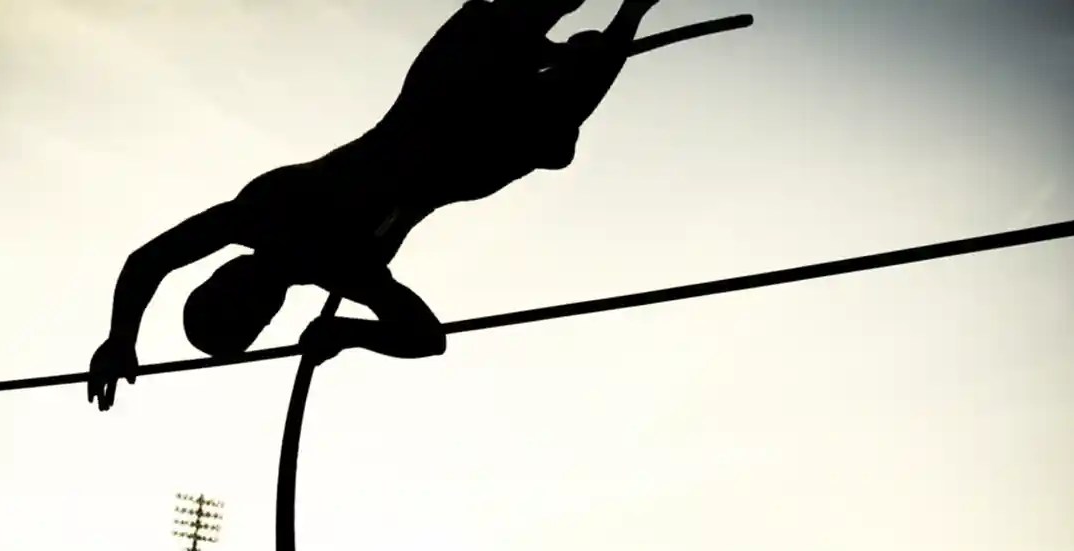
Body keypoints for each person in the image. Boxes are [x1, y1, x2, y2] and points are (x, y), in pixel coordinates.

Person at [87, 0, 668, 411]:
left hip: (442, 108)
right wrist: (348, 332)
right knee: (560, 103)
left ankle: (603, 30)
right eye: (251, 319)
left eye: (234, 306)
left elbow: (150, 260)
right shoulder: (329, 264)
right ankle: (625, 17)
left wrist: (121, 339)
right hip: (471, 150)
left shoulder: (265, 216)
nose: (254, 306)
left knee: (540, 45)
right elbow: (426, 336)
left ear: (222, 279)